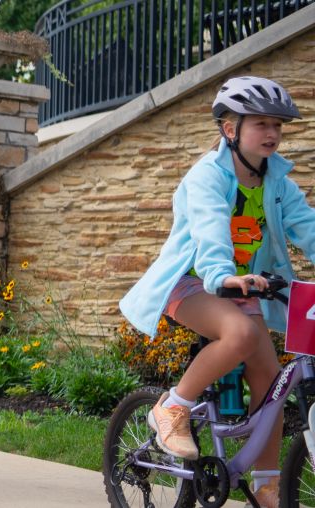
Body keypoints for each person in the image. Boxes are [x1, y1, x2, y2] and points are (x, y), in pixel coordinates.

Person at [119, 76, 311, 508]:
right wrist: (223, 274)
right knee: (240, 335)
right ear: (230, 130)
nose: (272, 133)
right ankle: (173, 408)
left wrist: (239, 281)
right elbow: (210, 230)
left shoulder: (277, 181)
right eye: (261, 123)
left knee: (272, 382)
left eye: (278, 125)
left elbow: (309, 229)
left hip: (243, 286)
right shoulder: (207, 176)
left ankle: (266, 484)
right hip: (193, 280)